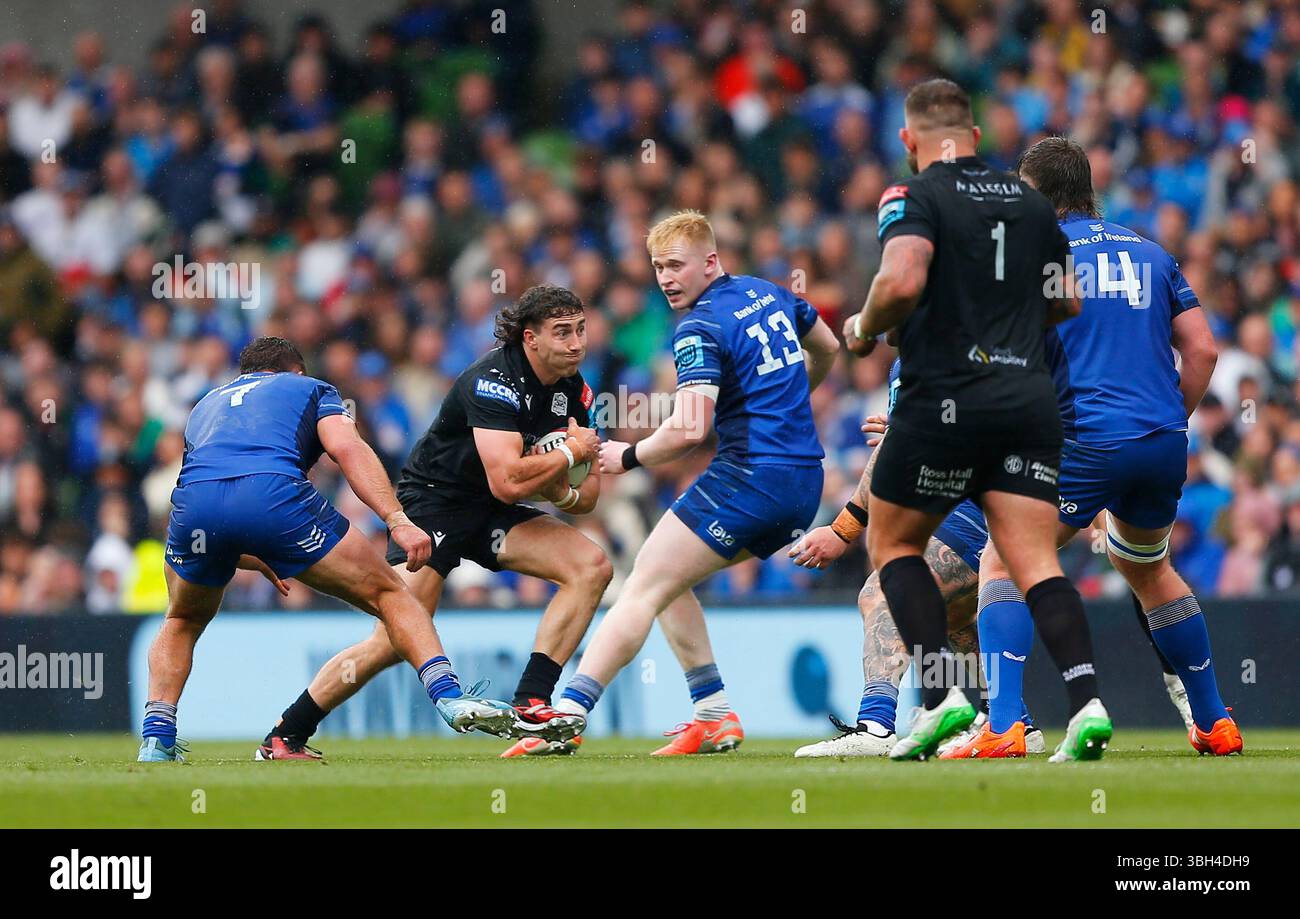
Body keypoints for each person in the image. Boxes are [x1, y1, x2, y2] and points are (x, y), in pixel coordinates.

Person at [841, 79, 1110, 763]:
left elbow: (901, 279)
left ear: (908, 141)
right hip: (1027, 403)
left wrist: (865, 326)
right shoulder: (1028, 200)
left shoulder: (912, 196)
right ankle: (1087, 704)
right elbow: (1068, 301)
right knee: (1033, 560)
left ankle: (942, 699)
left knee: (893, 547)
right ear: (978, 138)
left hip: (946, 401)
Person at [951, 136, 1242, 759]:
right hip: (1161, 444)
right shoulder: (1151, 253)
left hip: (1082, 440)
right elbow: (1203, 350)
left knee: (1003, 561)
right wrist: (1168, 420)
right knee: (1146, 566)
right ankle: (1215, 719)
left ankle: (1004, 725)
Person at [256, 286, 612, 760]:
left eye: (580, 330)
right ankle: (286, 733)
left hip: (488, 511)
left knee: (591, 566)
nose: (576, 343)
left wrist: (558, 486)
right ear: (530, 338)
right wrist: (566, 454)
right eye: (562, 333)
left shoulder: (574, 390)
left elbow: (585, 498)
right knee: (391, 639)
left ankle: (531, 703)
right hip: (434, 505)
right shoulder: (494, 380)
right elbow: (508, 481)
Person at [140, 336, 515, 762]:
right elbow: (347, 449)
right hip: (275, 497)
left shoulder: (205, 405)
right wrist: (397, 520)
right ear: (295, 370)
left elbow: (218, 488)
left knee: (183, 617)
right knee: (391, 594)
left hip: (194, 509)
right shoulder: (312, 389)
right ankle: (450, 696)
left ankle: (156, 737)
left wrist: (248, 550)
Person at [552, 209, 840, 754]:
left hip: (751, 475)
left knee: (641, 584)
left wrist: (629, 456)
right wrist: (795, 394)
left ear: (710, 261)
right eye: (658, 266)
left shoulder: (699, 326)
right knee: (669, 578)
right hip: (805, 481)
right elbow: (826, 345)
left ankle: (566, 714)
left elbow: (689, 427)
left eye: (676, 266)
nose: (665, 278)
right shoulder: (768, 292)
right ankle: (711, 712)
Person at [790, 358, 1047, 756]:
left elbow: (897, 448)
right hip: (1025, 499)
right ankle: (1012, 721)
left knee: (884, 593)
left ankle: (875, 725)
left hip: (978, 505)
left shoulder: (927, 350)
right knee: (953, 616)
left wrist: (842, 530)